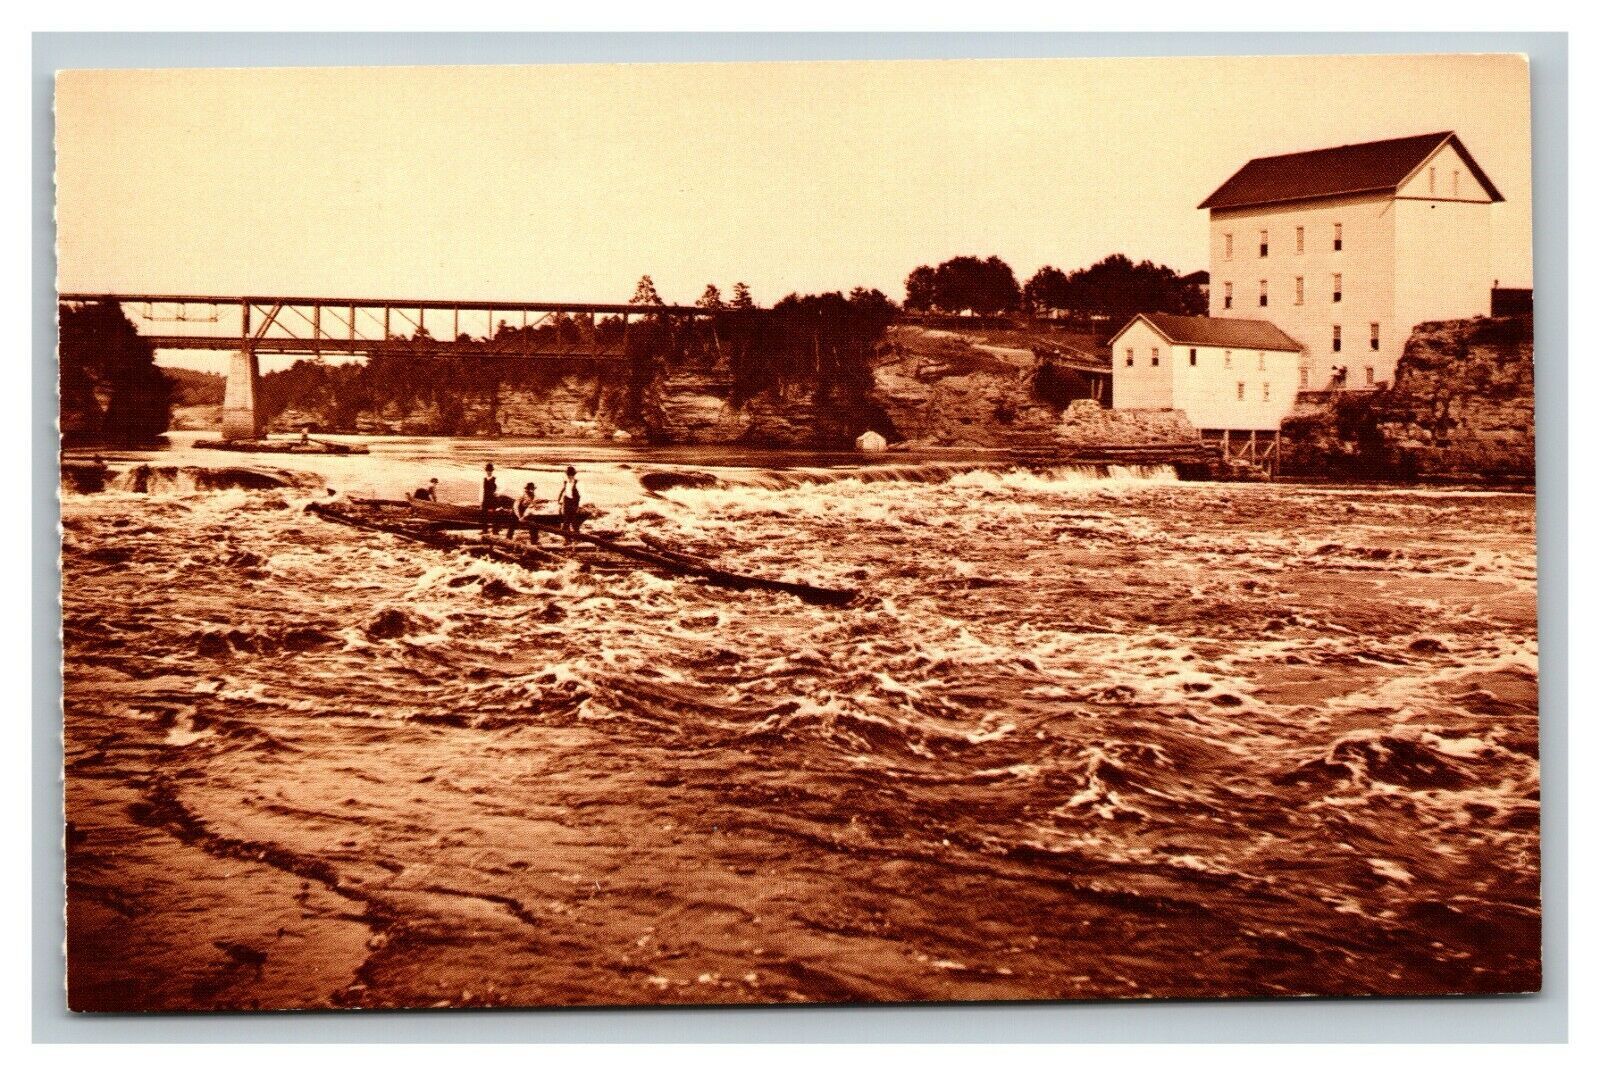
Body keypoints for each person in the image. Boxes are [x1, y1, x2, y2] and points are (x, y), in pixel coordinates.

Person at [558, 466, 582, 542]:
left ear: (573, 475)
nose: (569, 476)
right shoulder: (566, 482)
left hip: (574, 504)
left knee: (574, 524)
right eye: (568, 475)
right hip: (567, 503)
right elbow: (563, 493)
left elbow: (579, 496)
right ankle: (568, 540)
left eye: (571, 475)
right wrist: (560, 503)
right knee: (566, 524)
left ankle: (576, 539)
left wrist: (578, 507)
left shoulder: (577, 483)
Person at [480, 463, 498, 535]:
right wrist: (481, 501)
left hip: (493, 499)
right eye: (487, 470)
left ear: (492, 471)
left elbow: (501, 487)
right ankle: (485, 530)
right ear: (486, 471)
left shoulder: (495, 479)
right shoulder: (484, 479)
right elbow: (481, 491)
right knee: (484, 514)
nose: (488, 472)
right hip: (485, 498)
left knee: (494, 515)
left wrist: (497, 493)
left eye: (490, 470)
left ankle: (495, 531)